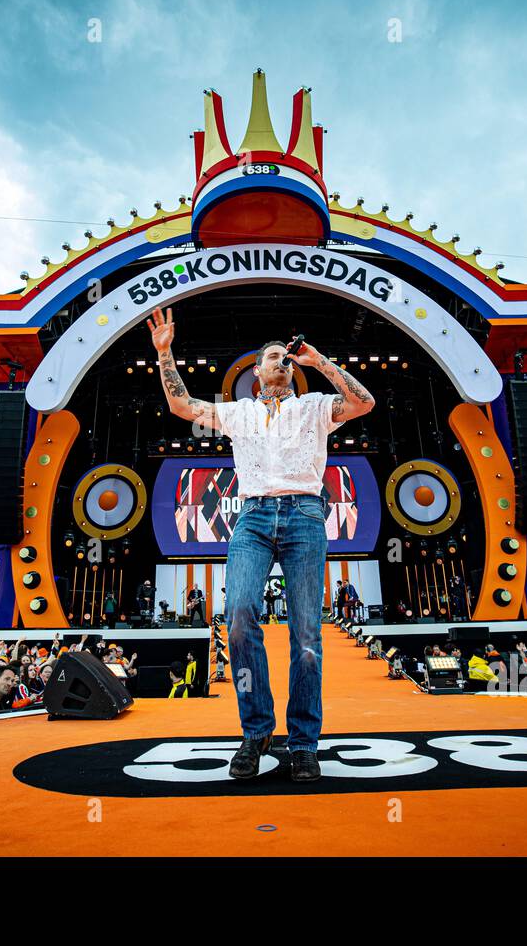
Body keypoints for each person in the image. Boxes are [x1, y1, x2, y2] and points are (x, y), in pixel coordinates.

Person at [149, 307, 375, 782]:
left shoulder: (314, 408)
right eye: (274, 356)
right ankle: (256, 731)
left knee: (308, 637)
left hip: (305, 515)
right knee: (239, 619)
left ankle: (303, 743)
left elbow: (363, 402)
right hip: (251, 518)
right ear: (257, 371)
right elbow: (183, 407)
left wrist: (319, 362)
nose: (281, 361)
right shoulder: (238, 412)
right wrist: (165, 352)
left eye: (286, 358)